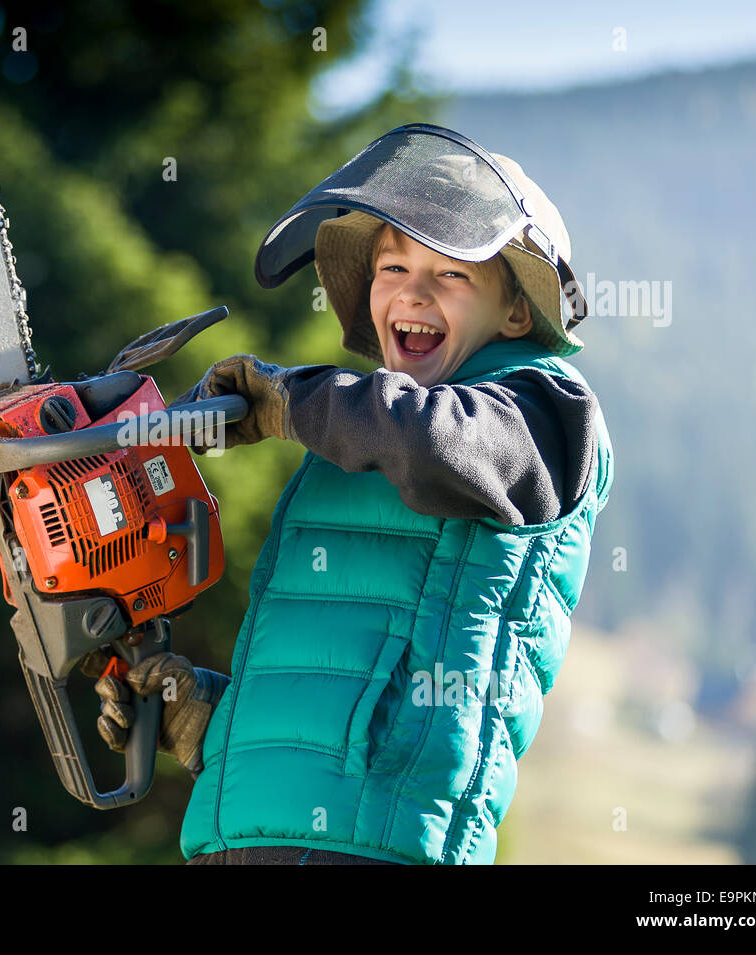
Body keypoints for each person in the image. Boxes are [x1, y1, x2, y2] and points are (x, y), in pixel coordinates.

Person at [84, 124, 614, 865]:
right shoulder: (351, 444)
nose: (413, 291)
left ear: (519, 311)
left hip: (382, 845)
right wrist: (210, 719)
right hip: (241, 837)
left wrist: (288, 402)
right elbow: (330, 669)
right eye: (392, 266)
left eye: (451, 273)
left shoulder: (542, 416)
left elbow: (431, 442)